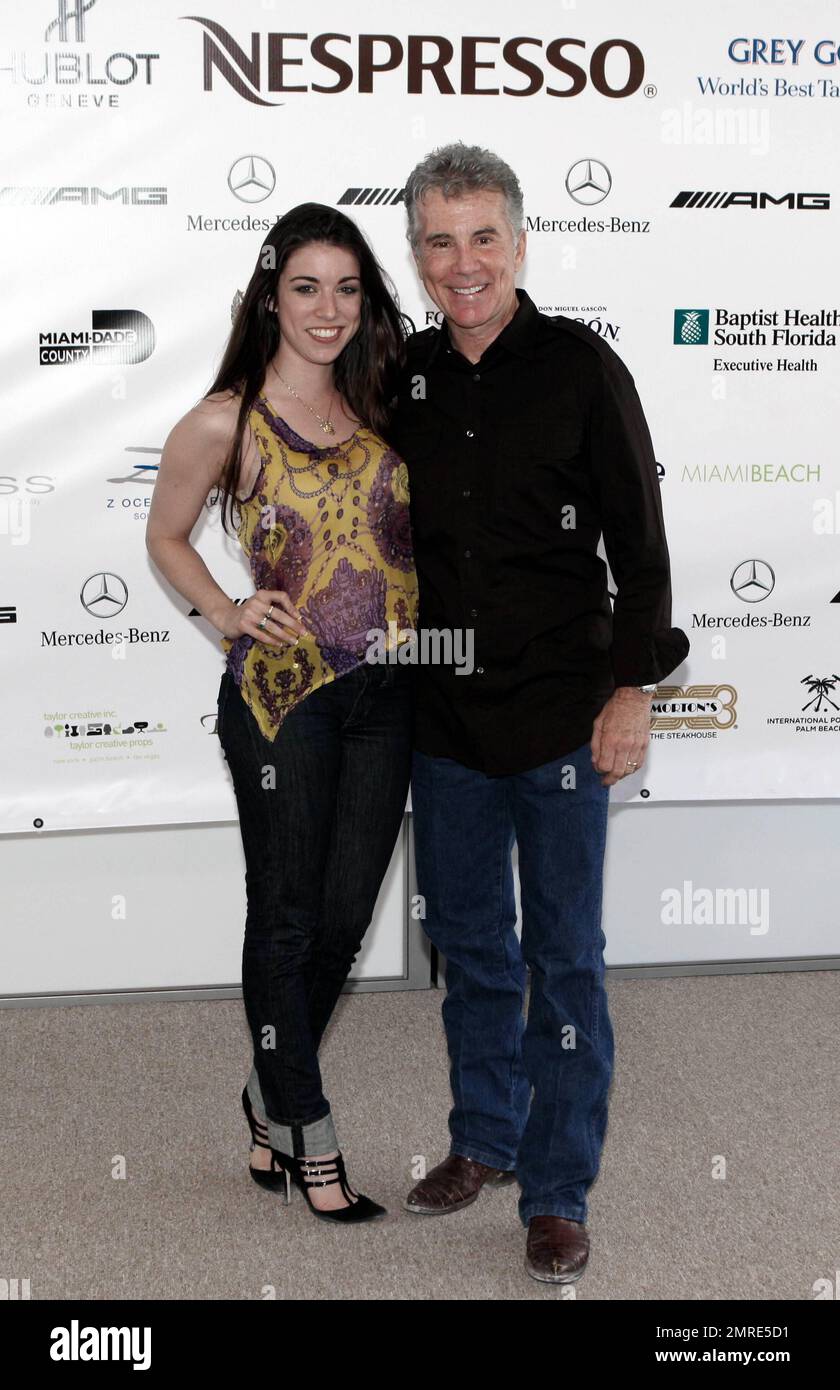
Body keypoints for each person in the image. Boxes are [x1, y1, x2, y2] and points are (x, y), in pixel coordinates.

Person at [390, 143, 690, 1281]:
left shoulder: (581, 367)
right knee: (469, 946)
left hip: (565, 713)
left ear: (519, 243)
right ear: (416, 253)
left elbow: (642, 548)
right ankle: (483, 1139)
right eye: (438, 241)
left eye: (482, 238)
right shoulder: (404, 379)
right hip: (446, 723)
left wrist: (630, 692)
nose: (462, 263)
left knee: (564, 957)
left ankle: (557, 1191)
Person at [145, 203, 419, 1224]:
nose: (328, 308)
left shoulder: (389, 398)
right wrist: (223, 610)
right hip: (280, 700)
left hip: (388, 696)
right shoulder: (228, 419)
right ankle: (309, 1132)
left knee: (343, 920)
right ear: (270, 295)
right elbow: (166, 536)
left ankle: (265, 1092)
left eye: (347, 288)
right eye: (306, 286)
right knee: (288, 915)